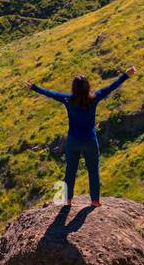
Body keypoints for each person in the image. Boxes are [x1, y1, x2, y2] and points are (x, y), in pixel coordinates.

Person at [27, 67, 136, 207]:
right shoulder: (94, 98)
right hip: (90, 140)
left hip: (73, 141)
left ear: (73, 88)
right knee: (93, 170)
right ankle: (95, 201)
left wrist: (34, 87)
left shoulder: (68, 99)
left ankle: (67, 200)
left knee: (70, 170)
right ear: (87, 87)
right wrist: (125, 75)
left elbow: (50, 93)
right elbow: (111, 87)